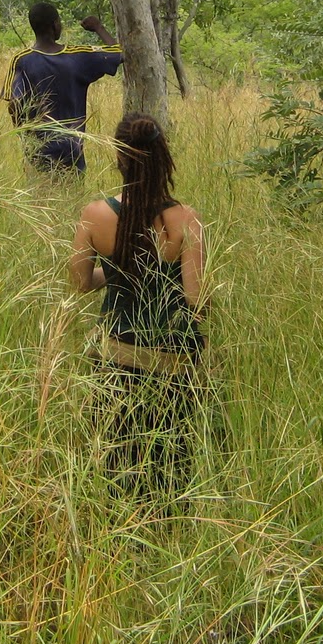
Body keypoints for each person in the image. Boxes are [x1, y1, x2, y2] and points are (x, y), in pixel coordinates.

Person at [70, 112, 209, 504]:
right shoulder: (185, 219)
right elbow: (196, 300)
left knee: (118, 461)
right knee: (169, 464)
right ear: (163, 156)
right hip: (173, 363)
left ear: (118, 156)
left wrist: (114, 273)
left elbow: (81, 282)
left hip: (117, 355)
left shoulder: (95, 214)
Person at [1, 2, 124, 173]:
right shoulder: (76, 57)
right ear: (54, 25)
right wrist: (98, 27)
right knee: (73, 197)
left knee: (40, 197)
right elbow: (118, 53)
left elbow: (14, 104)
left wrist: (26, 138)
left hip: (37, 151)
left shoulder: (21, 60)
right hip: (72, 152)